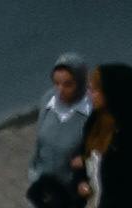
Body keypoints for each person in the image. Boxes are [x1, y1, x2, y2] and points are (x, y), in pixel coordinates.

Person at [29, 56, 94, 208]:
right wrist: (34, 173)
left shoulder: (90, 113)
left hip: (69, 192)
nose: (60, 90)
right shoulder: (48, 100)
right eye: (56, 83)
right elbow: (40, 141)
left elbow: (98, 153)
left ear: (80, 83)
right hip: (42, 185)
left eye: (68, 84)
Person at [87, 63, 132, 208]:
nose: (90, 93)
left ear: (112, 94)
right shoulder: (98, 120)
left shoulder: (130, 135)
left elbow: (126, 188)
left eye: (96, 90)